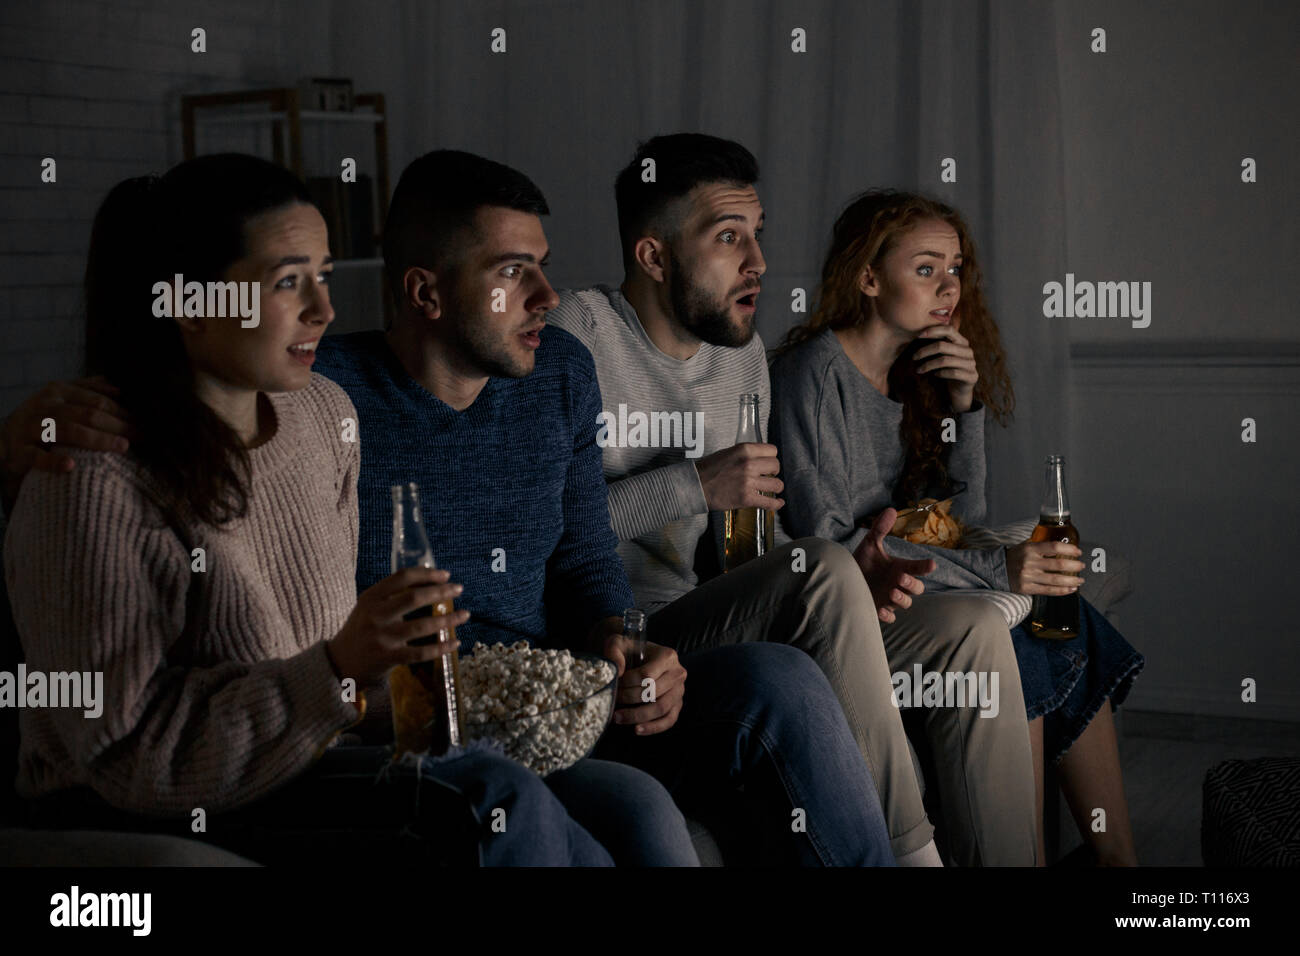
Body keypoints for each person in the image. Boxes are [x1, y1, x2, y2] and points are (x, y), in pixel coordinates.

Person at [4, 149, 897, 866]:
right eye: (290, 281)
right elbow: (152, 726)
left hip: (460, 709)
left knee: (737, 711)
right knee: (513, 797)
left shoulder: (325, 412)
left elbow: (584, 567)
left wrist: (615, 641)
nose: (323, 303)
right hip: (343, 742)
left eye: (323, 274)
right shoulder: (308, 400)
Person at [544, 133, 1037, 866]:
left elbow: (754, 540)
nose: (759, 262)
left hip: (723, 606)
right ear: (653, 257)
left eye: (759, 235)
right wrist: (695, 484)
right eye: (729, 237)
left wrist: (855, 570)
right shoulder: (575, 336)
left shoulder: (741, 356)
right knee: (821, 565)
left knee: (970, 631)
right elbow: (551, 530)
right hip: (635, 631)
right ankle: (912, 855)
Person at [769, 188, 1145, 865]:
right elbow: (833, 542)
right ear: (867, 277)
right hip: (849, 602)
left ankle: (1122, 866)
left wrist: (963, 405)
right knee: (1032, 626)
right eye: (926, 269)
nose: (949, 287)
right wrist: (996, 570)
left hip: (915, 578)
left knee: (1063, 609)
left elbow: (953, 523)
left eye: (957, 268)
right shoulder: (812, 375)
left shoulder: (915, 372)